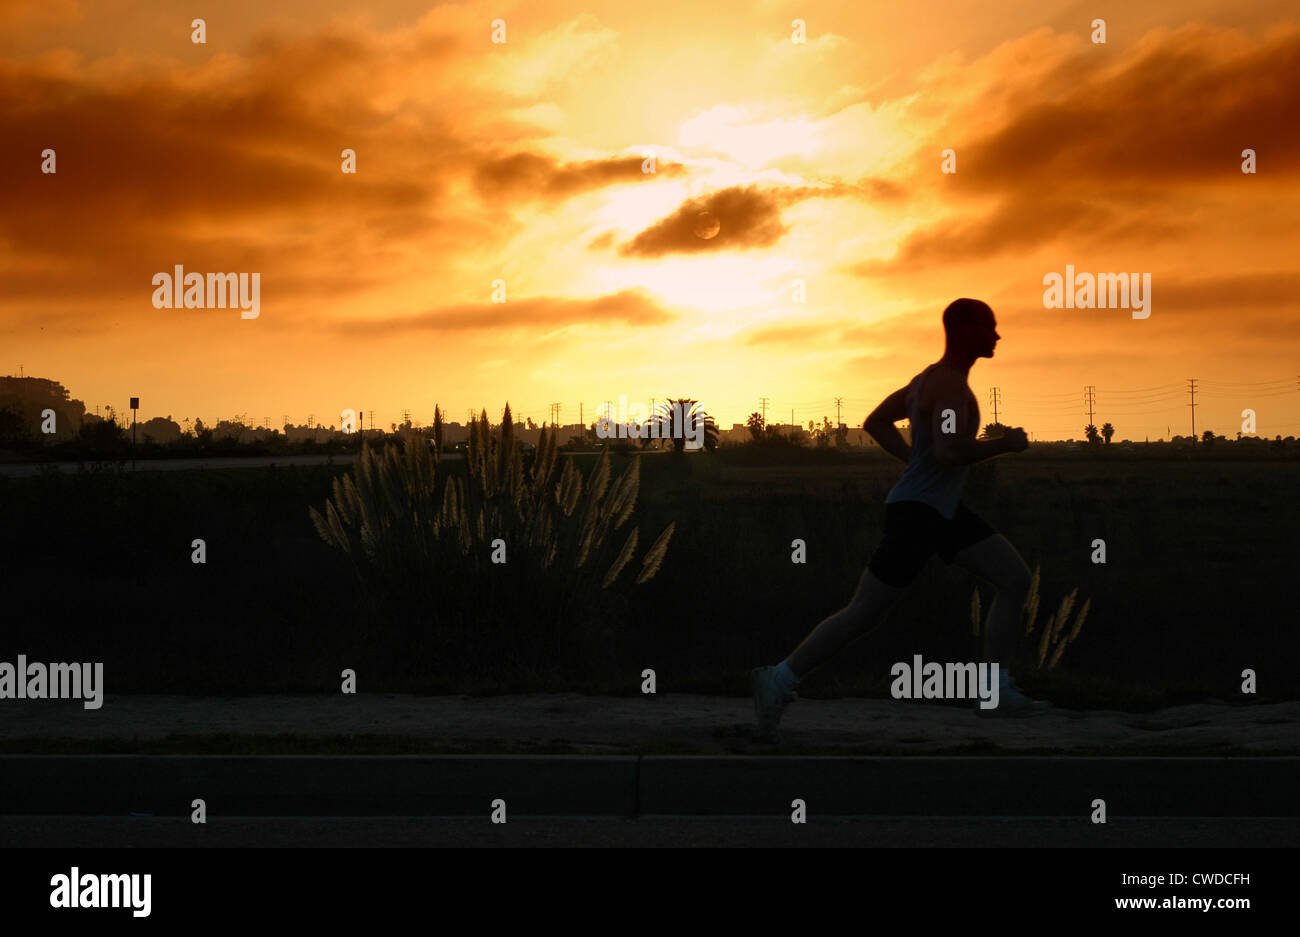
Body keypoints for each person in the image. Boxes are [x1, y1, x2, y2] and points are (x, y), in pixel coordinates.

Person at [751, 298, 1047, 741]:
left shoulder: (925, 381)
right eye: (989, 327)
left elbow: (876, 421)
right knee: (864, 612)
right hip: (920, 515)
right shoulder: (947, 385)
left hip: (936, 511)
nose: (997, 335)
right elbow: (948, 452)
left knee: (1014, 579)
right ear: (964, 329)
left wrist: (914, 461)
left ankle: (995, 690)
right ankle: (778, 678)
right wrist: (1004, 444)